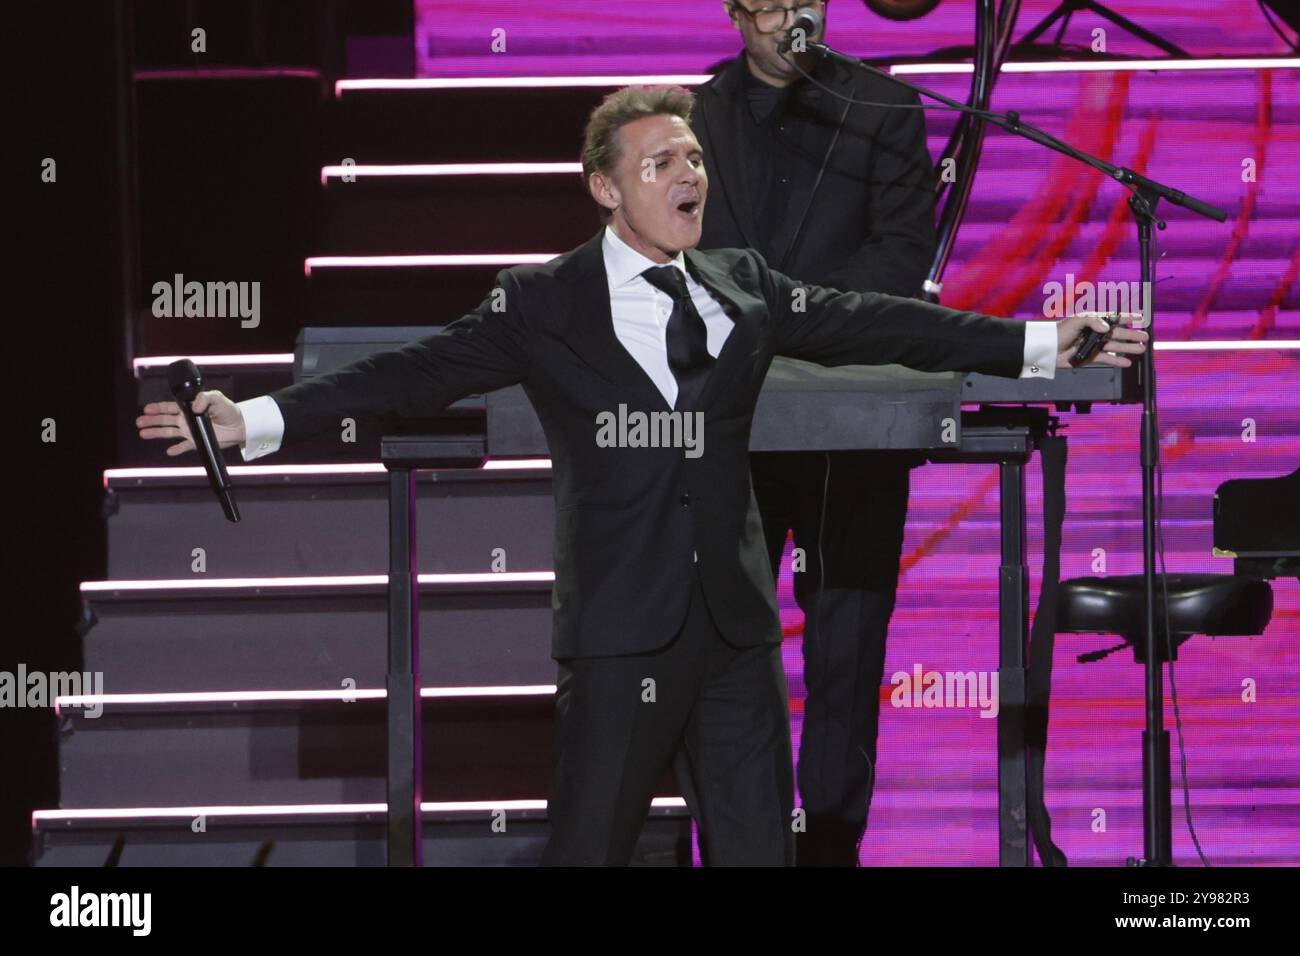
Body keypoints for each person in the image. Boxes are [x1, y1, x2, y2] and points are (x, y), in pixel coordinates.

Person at [137, 85, 1145, 866]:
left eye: (695, 156)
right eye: (661, 159)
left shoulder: (741, 284)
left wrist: (1041, 344)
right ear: (607, 187)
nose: (688, 172)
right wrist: (257, 414)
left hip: (735, 635)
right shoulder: (543, 302)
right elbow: (415, 368)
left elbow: (873, 320)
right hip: (621, 639)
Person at [693, 0, 938, 863]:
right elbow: (675, 258)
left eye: (807, 1)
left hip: (853, 418)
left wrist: (794, 321)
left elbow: (903, 256)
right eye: (769, 3)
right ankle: (741, 844)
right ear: (733, 11)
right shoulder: (688, 117)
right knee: (726, 647)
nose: (789, 18)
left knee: (848, 647)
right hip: (725, 426)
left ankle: (832, 845)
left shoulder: (885, 108)